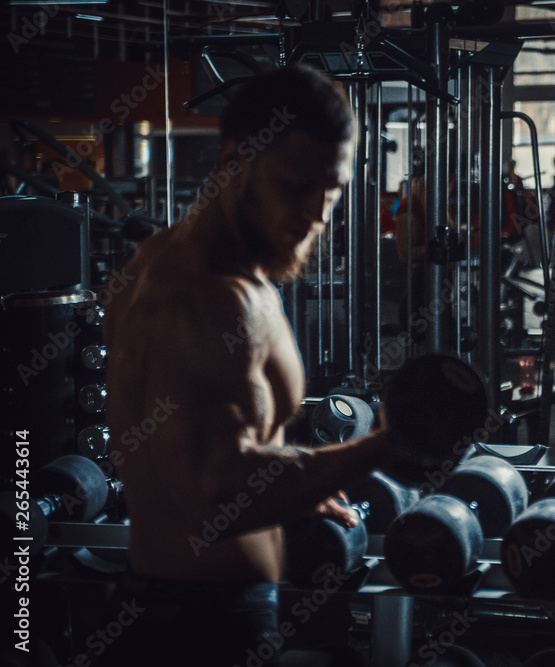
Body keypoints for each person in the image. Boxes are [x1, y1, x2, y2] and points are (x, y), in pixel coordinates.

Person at [95, 65, 417, 666]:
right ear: (236, 161)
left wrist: (298, 479)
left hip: (180, 604)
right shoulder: (215, 298)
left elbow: (201, 449)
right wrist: (388, 445)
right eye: (296, 187)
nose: (317, 213)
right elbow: (215, 500)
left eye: (334, 189)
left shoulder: (158, 257)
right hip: (202, 628)